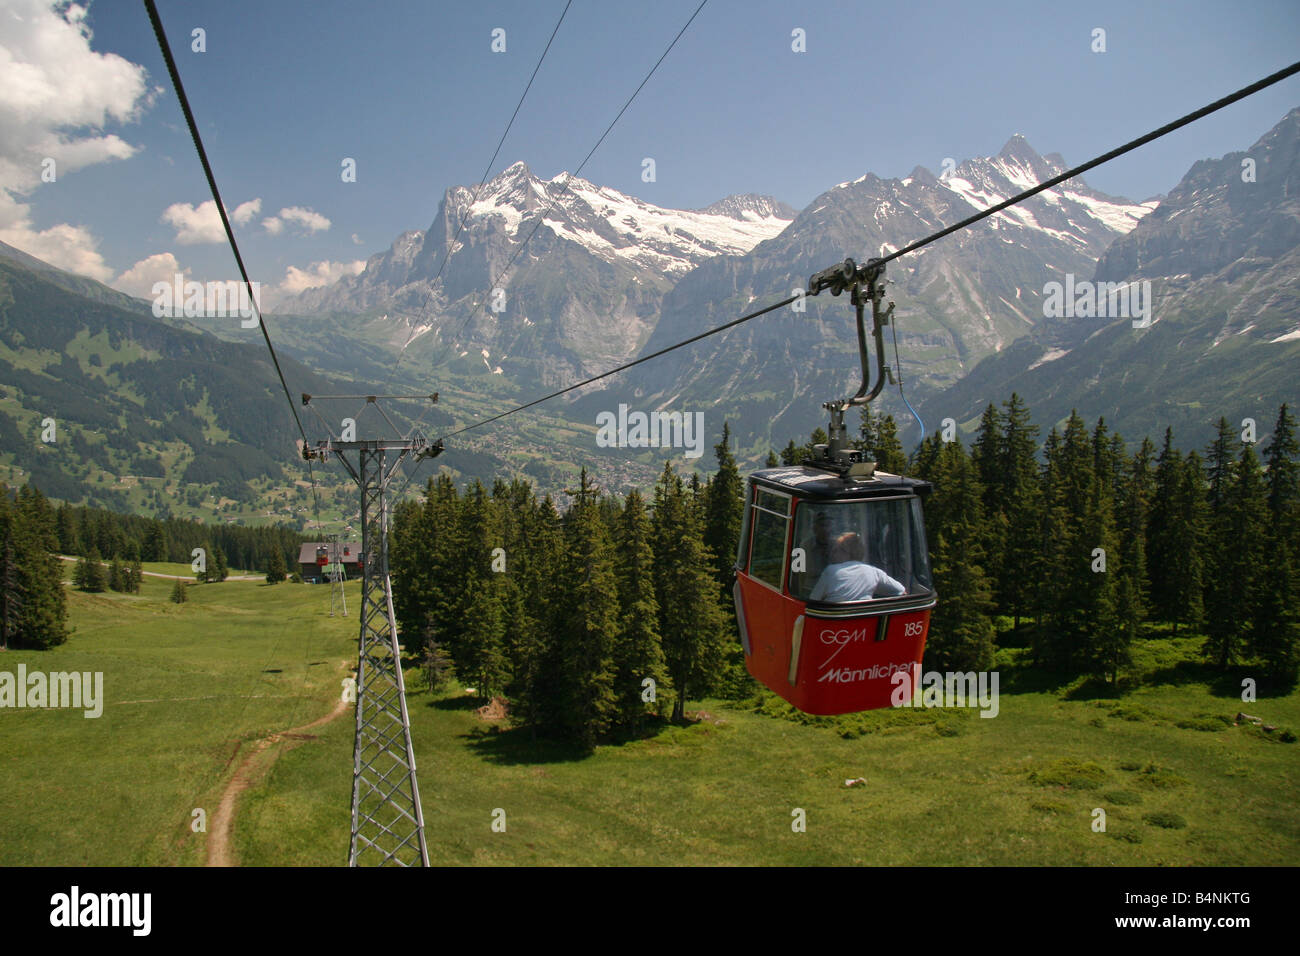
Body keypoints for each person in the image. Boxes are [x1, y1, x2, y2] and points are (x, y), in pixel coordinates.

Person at [809, 531, 906, 603]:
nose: (832, 554)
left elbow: (813, 600)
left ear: (846, 553)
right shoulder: (873, 571)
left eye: (835, 551)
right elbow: (901, 591)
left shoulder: (831, 571)